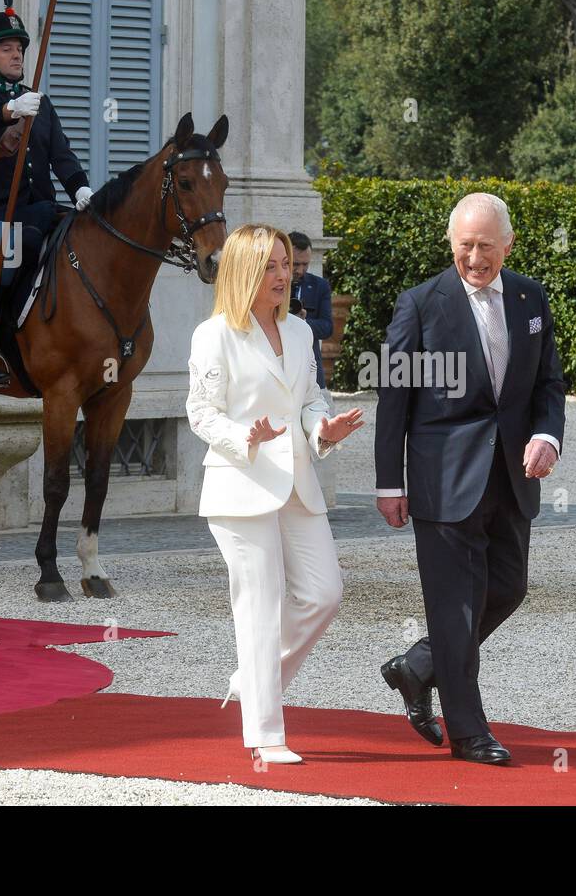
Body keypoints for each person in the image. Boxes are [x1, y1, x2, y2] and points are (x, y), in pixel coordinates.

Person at [375, 193, 566, 765]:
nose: (475, 257)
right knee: (456, 608)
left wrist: (548, 436)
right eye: (465, 246)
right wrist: (390, 483)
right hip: (442, 481)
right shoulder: (419, 305)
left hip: (512, 477)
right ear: (451, 244)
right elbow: (393, 400)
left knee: (508, 588)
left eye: (486, 246)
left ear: (507, 245)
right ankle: (469, 732)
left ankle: (420, 665)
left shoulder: (531, 296)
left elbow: (548, 385)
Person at [186, 224, 364, 765]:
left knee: (324, 593)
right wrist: (246, 438)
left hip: (297, 483)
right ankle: (265, 734)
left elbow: (309, 400)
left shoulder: (303, 334)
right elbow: (201, 412)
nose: (283, 275)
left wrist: (322, 430)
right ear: (243, 270)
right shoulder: (213, 334)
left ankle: (252, 679)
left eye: (286, 264)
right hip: (239, 484)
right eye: (270, 266)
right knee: (259, 608)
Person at [0, 0, 93, 393]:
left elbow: (62, 154)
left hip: (41, 209)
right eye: (7, 49)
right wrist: (10, 111)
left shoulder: (40, 103)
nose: (17, 56)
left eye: (20, 49)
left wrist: (81, 188)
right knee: (16, 251)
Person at [286, 232, 333, 389]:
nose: (300, 270)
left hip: (309, 366)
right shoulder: (271, 285)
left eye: (305, 264)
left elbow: (327, 328)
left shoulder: (320, 286)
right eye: (295, 264)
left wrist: (303, 322)